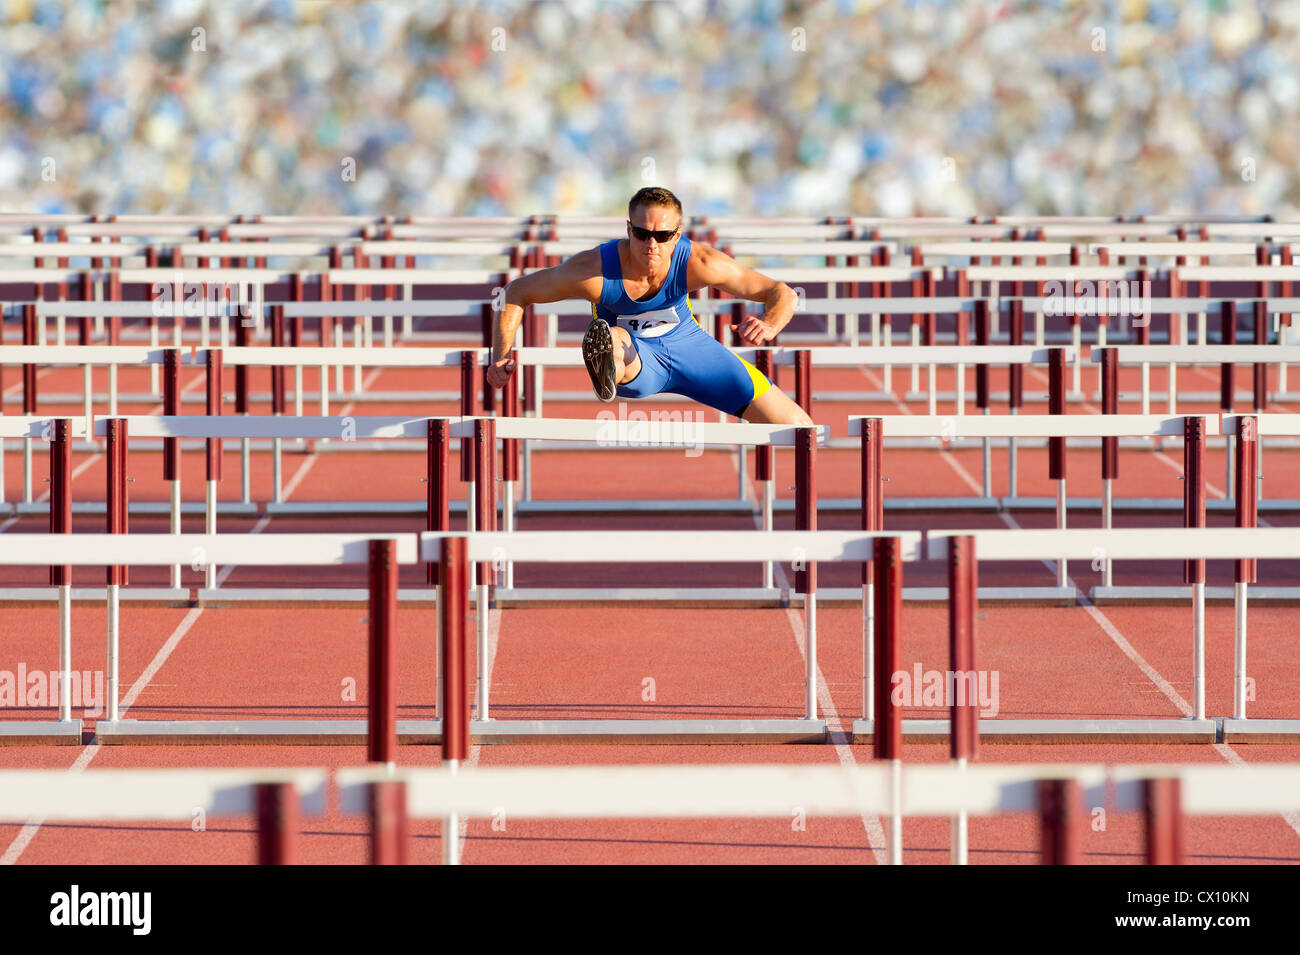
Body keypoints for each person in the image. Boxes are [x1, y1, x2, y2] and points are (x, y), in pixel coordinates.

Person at [485, 186, 813, 426]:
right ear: (628, 229)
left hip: (691, 348)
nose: (651, 244)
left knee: (798, 426)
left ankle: (812, 520)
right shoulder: (593, 272)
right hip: (637, 355)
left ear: (677, 235)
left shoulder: (700, 262)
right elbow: (516, 292)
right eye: (641, 234)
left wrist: (769, 323)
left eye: (662, 235)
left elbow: (781, 292)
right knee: (613, 338)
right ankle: (608, 364)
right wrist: (499, 356)